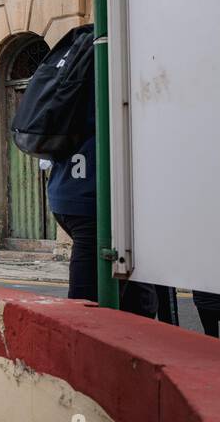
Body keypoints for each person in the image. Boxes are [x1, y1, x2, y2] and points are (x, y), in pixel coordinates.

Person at [47, 99, 157, 317]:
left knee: (136, 288)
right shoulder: (102, 71)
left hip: (67, 189)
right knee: (89, 306)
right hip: (94, 195)